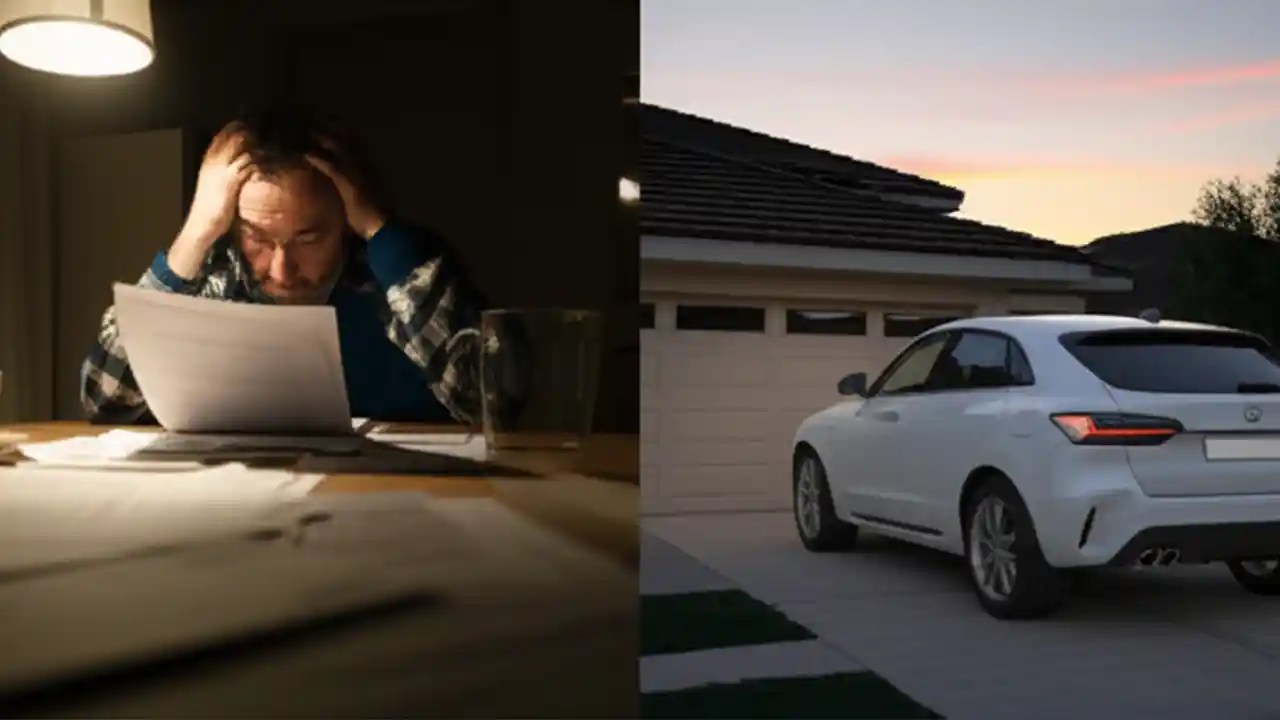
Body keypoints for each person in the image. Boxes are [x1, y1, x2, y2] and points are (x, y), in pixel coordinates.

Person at [79, 108, 487, 425]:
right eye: (257, 237)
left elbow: (486, 400)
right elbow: (103, 401)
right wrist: (195, 234)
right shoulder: (217, 277)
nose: (281, 270)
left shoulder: (404, 272)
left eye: (308, 239)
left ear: (347, 219)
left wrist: (379, 230)